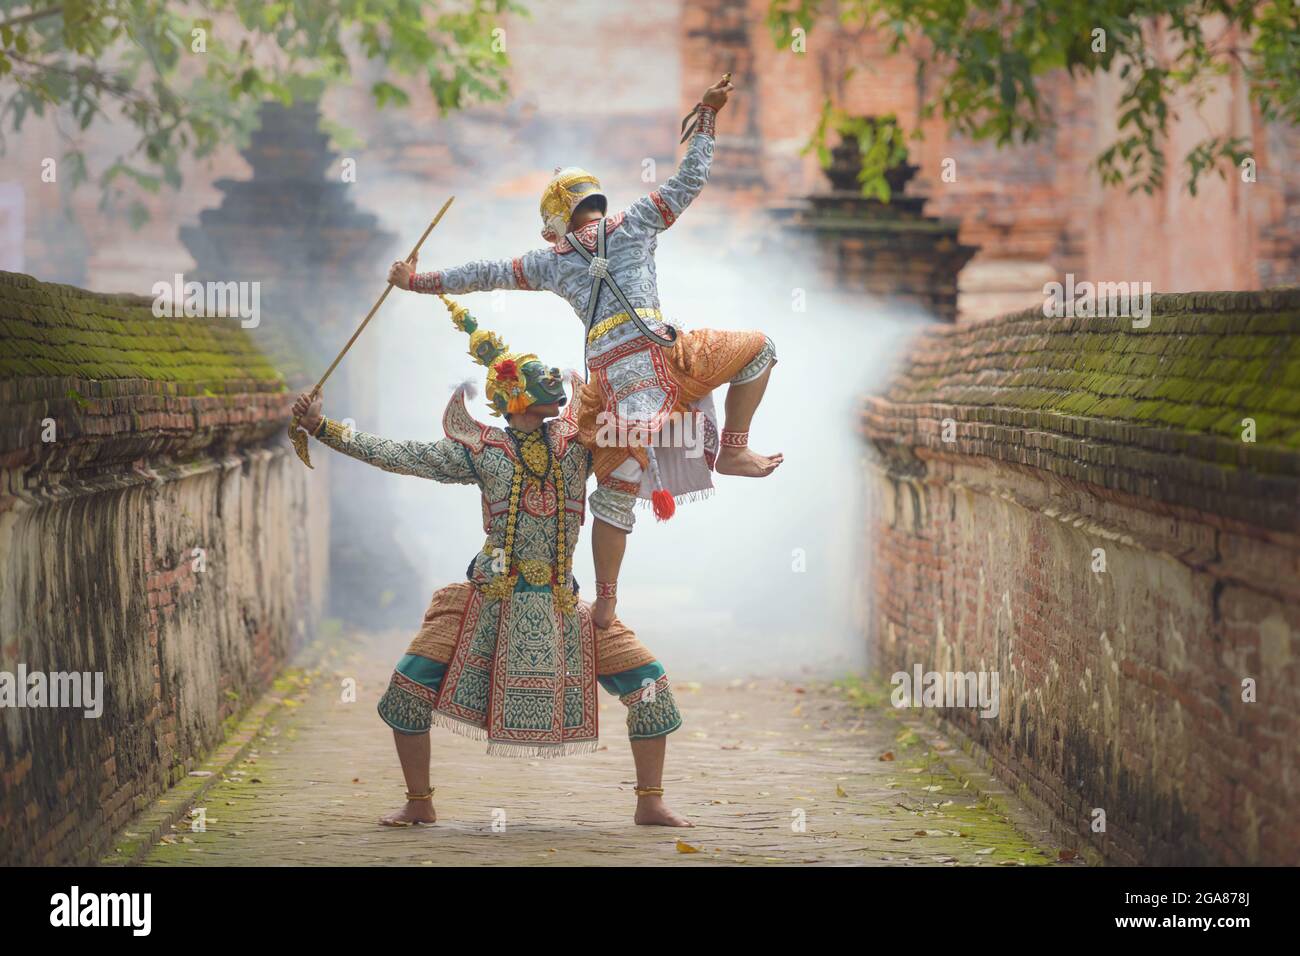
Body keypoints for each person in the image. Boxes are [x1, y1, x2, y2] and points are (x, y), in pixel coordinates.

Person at [388, 77, 780, 630]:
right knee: (759, 350)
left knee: (616, 494)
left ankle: (608, 603)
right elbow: (691, 178)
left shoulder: (548, 260)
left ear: (555, 222)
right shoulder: (637, 220)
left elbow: (482, 273)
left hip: (612, 384)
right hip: (667, 357)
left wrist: (417, 280)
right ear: (595, 203)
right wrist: (708, 115)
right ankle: (735, 449)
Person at [291, 294, 690, 827]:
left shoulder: (579, 443)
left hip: (562, 602)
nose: (552, 379)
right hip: (488, 600)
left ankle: (650, 802)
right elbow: (402, 455)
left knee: (651, 686)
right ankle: (419, 803)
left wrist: (661, 351)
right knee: (406, 692)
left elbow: (635, 420)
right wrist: (325, 429)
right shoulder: (481, 452)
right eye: (536, 377)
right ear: (512, 396)